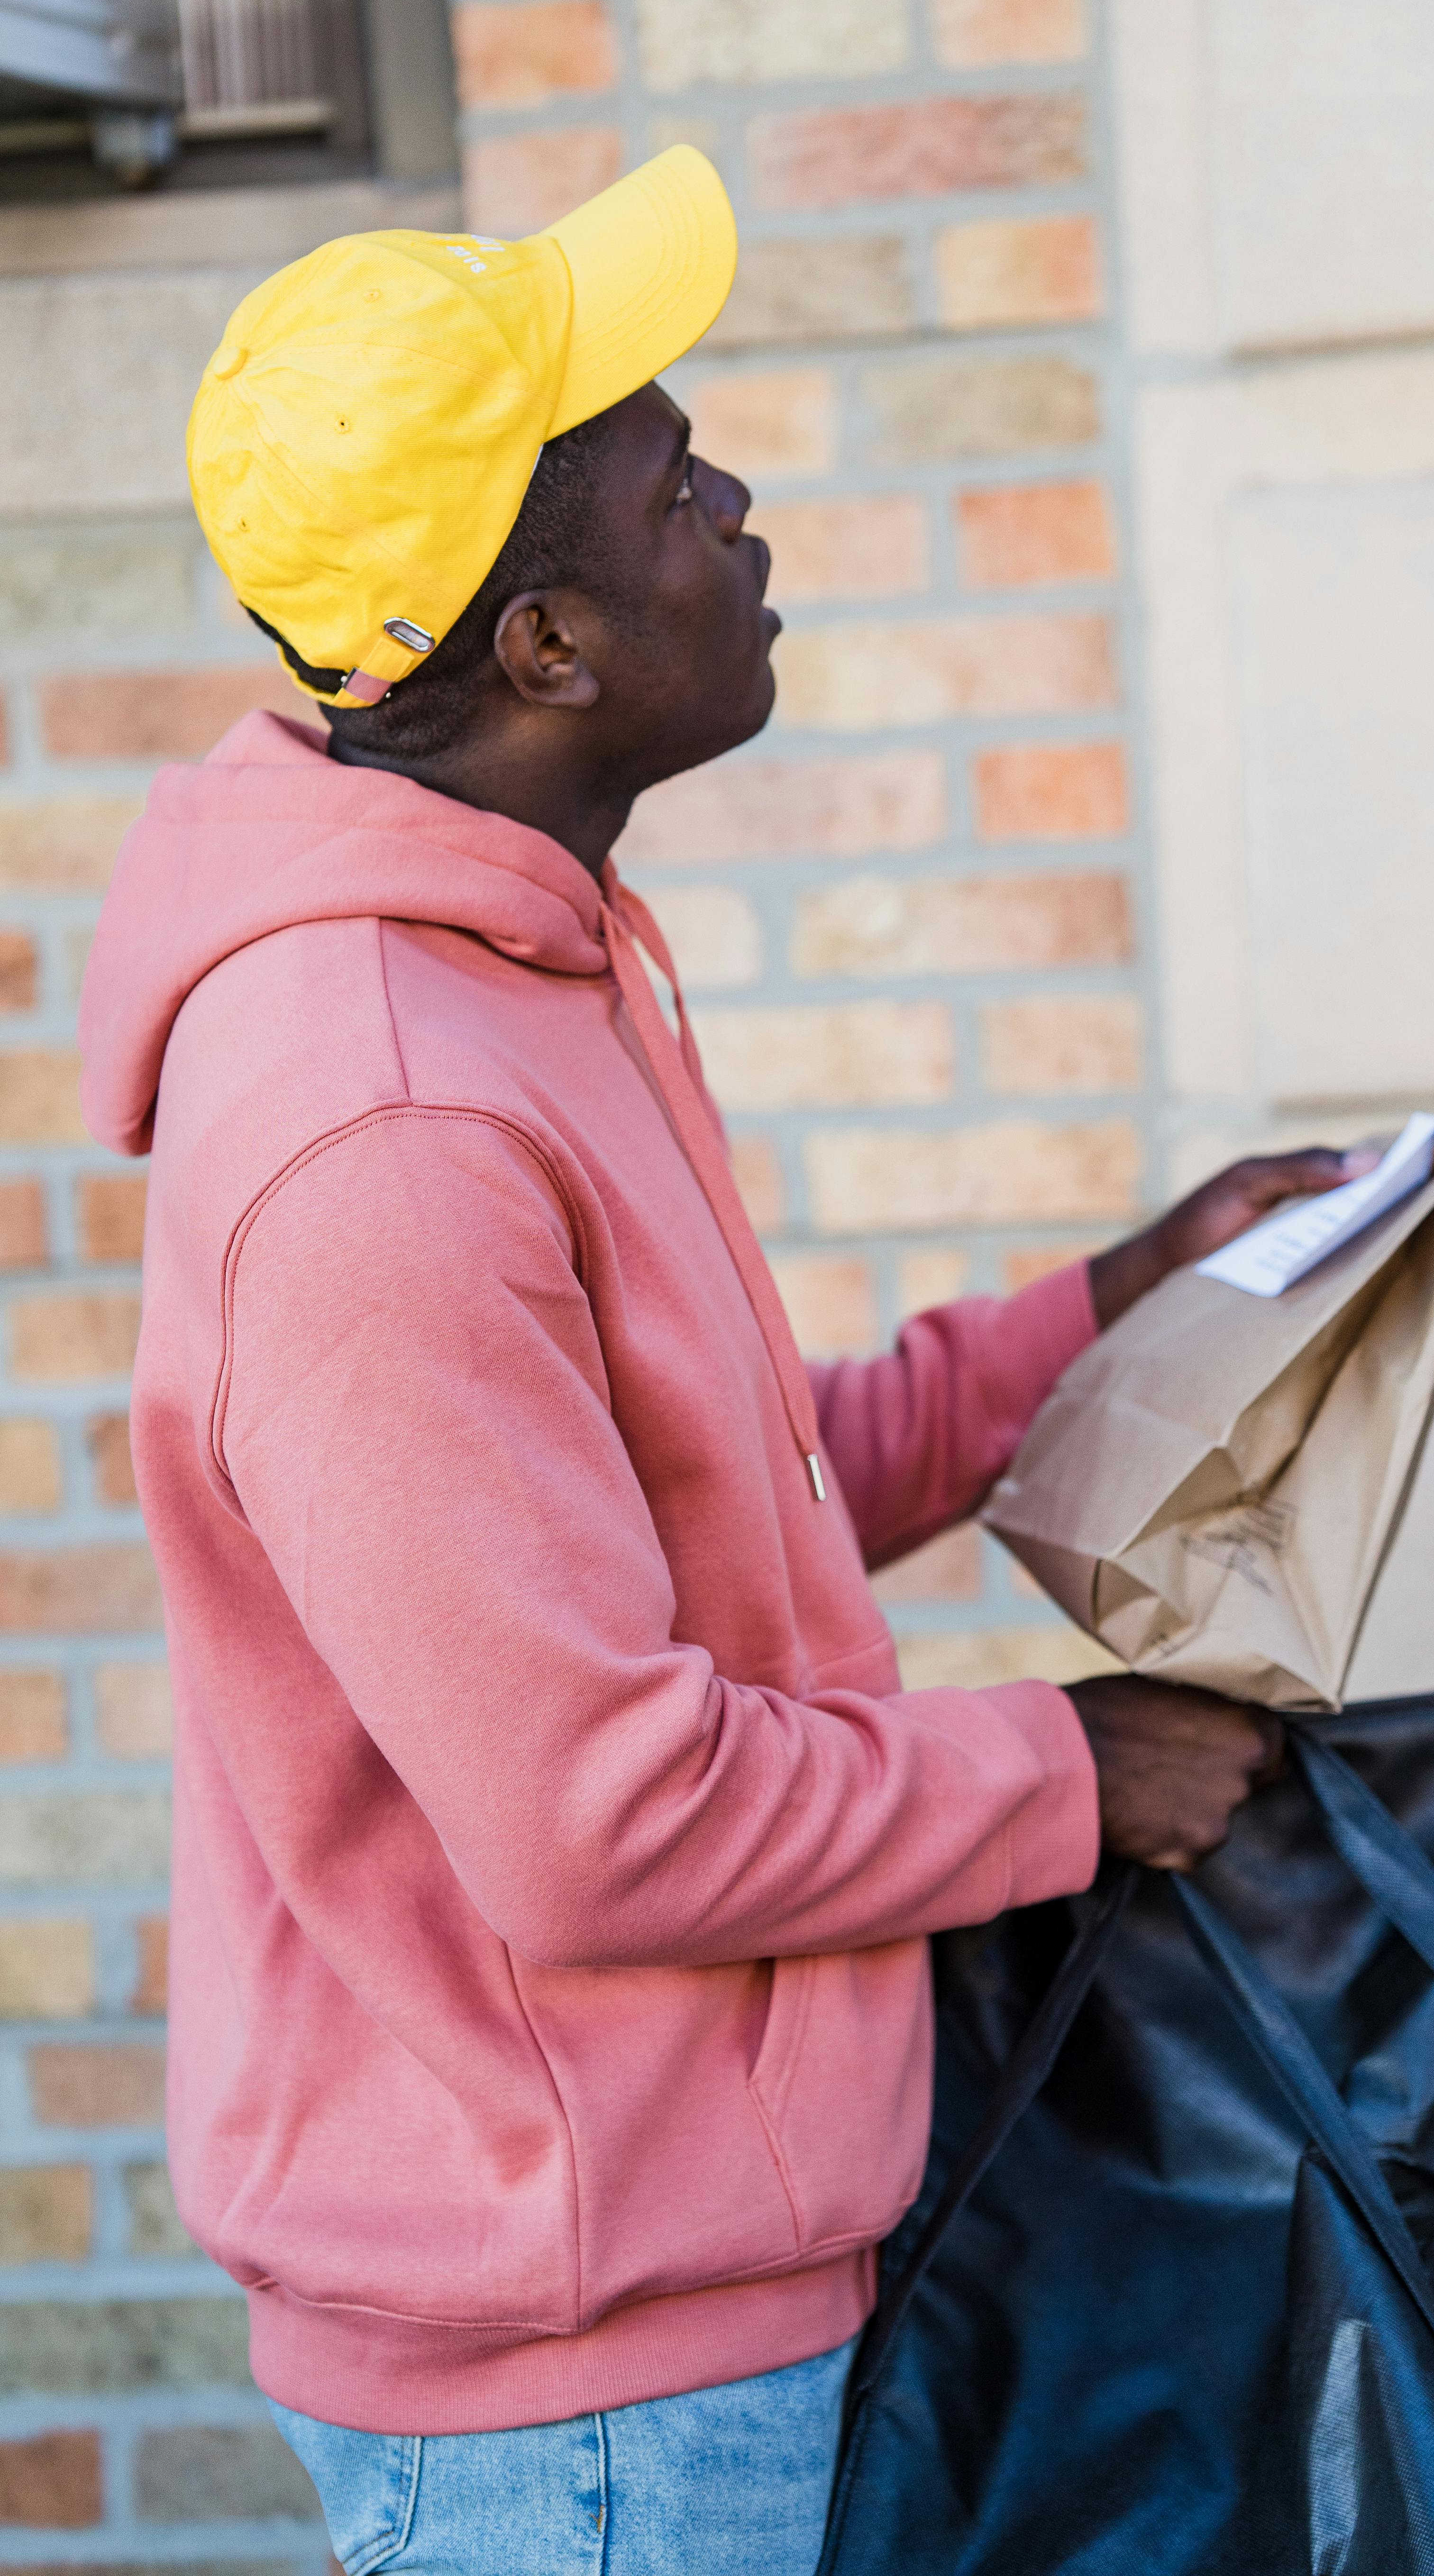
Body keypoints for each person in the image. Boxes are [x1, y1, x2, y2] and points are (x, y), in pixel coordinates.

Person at [78, 150, 1365, 2575]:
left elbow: (712, 1508)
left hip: (682, 2292)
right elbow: (600, 1814)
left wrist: (1114, 1300)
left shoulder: (526, 967)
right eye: (680, 479)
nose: (740, 500)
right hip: (576, 2408)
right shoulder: (388, 1122)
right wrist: (1070, 1774)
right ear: (549, 641)